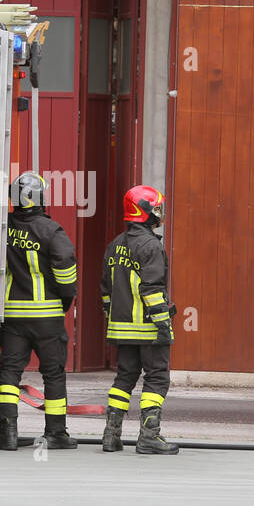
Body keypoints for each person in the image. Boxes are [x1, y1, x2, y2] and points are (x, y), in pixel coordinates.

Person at [0, 172, 79, 451]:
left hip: (13, 315)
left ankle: (8, 434)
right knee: (52, 374)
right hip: (47, 316)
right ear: (41, 197)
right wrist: (66, 300)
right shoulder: (51, 230)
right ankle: (55, 432)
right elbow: (65, 268)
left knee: (10, 372)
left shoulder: (3, 228)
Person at [100, 185, 178, 455]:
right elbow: (152, 290)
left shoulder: (114, 245)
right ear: (143, 211)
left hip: (121, 329)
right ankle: (149, 436)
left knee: (125, 378)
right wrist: (164, 325)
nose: (159, 213)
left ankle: (111, 435)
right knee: (157, 378)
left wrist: (113, 320)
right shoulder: (150, 247)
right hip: (148, 328)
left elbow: (106, 292)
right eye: (155, 208)